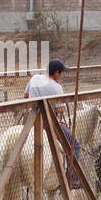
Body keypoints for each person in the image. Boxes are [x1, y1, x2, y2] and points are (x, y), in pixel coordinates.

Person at [25, 58, 81, 186]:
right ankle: (71, 178)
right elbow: (60, 109)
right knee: (75, 144)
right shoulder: (57, 87)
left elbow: (26, 96)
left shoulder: (35, 78)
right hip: (47, 124)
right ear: (56, 73)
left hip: (31, 120)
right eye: (61, 73)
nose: (61, 76)